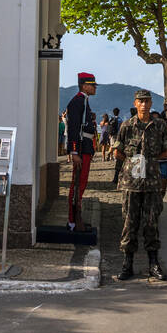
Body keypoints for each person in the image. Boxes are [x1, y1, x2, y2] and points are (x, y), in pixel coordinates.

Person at [113, 89, 167, 281]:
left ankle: (153, 264)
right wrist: (132, 162)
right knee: (130, 222)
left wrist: (151, 160)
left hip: (152, 182)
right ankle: (127, 263)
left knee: (151, 223)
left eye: (147, 101)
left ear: (151, 103)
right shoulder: (127, 126)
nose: (145, 104)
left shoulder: (159, 125)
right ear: (135, 103)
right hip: (131, 183)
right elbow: (117, 152)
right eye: (141, 101)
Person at [64, 71, 98, 231]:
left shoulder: (83, 101)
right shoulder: (77, 102)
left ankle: (77, 217)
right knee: (77, 184)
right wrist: (75, 152)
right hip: (81, 147)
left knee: (81, 184)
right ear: (85, 86)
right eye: (92, 85)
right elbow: (73, 129)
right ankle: (72, 220)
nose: (95, 88)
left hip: (86, 146)